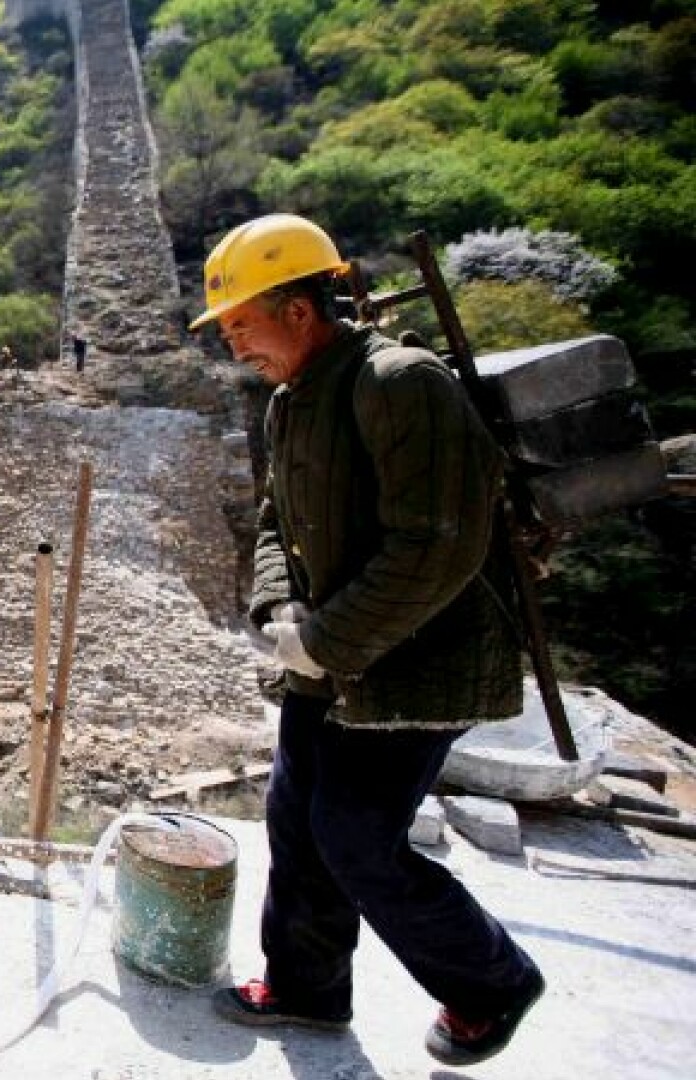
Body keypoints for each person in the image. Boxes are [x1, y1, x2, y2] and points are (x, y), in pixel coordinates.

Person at [190, 214, 543, 1067]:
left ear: (301, 310)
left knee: (355, 836)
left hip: (415, 667)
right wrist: (281, 612)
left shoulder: (399, 383)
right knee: (295, 820)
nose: (234, 344)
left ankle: (491, 982)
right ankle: (307, 990)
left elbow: (440, 543)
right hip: (328, 661)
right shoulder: (289, 405)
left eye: (243, 323)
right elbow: (277, 521)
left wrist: (328, 639)